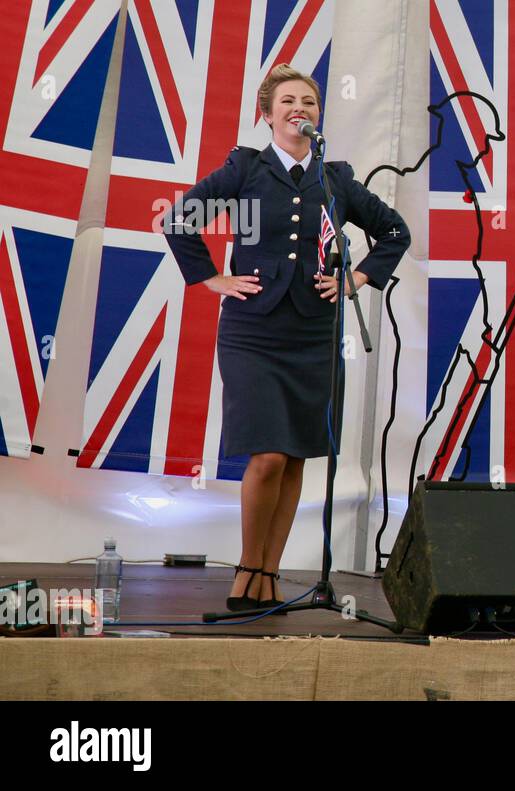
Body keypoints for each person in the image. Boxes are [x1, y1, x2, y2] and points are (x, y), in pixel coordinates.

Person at [163, 64, 410, 611]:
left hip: (314, 333)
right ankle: (248, 566)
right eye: (289, 101)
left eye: (311, 102)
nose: (301, 108)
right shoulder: (245, 168)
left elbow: (395, 231)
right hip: (253, 330)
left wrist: (359, 276)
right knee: (268, 456)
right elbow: (180, 219)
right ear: (268, 114)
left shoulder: (335, 177)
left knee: (296, 455)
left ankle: (269, 573)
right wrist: (210, 278)